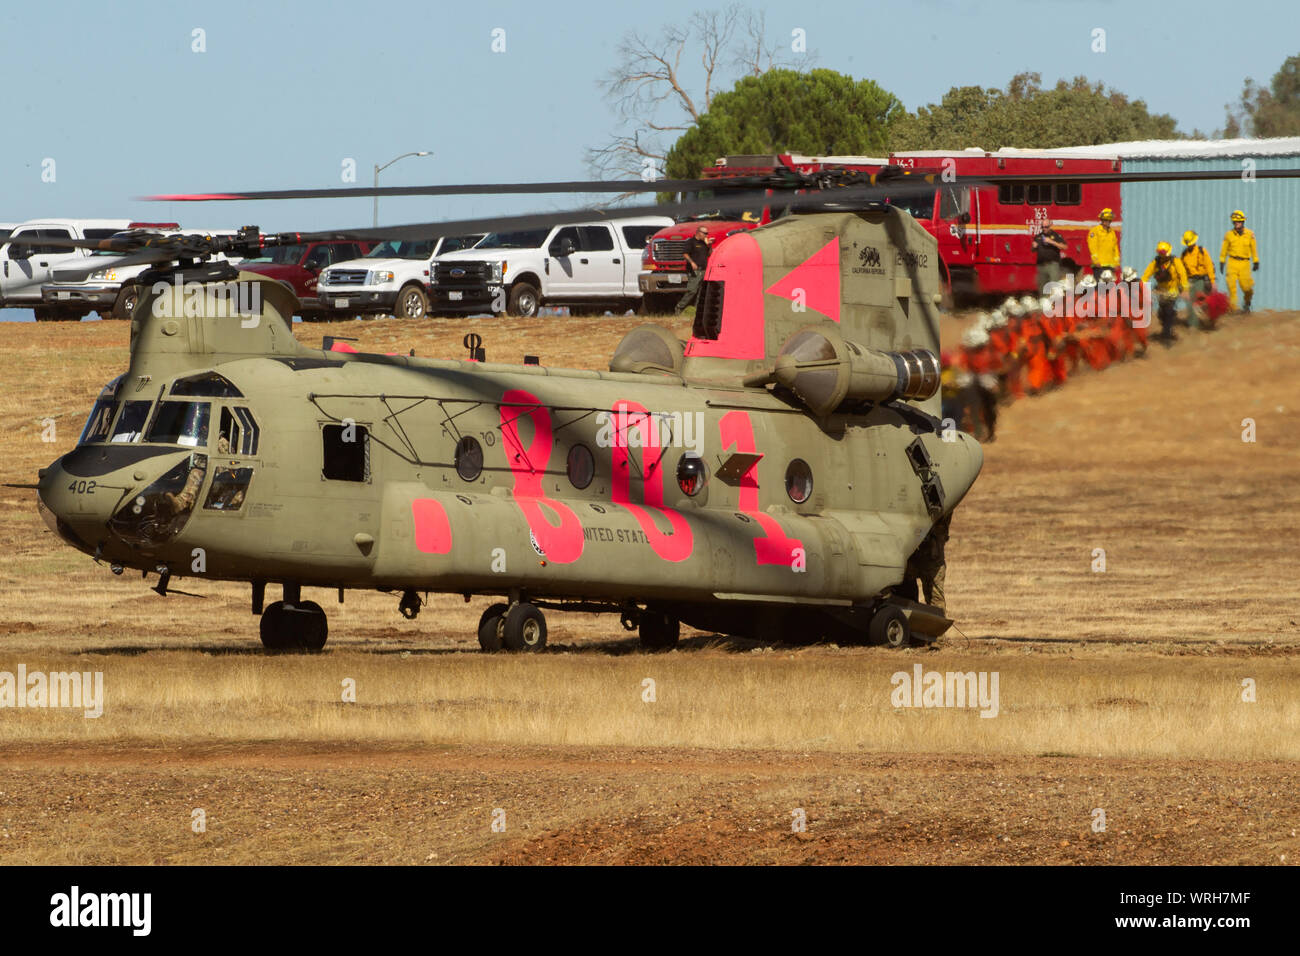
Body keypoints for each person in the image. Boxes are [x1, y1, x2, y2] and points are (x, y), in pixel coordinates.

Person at [901, 513, 952, 613]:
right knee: (904, 599)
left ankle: (936, 626)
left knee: (936, 604)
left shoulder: (942, 504)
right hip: (910, 557)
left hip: (932, 559)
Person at [1141, 241, 1188, 345]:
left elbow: (1183, 275)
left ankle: (1167, 336)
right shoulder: (1156, 262)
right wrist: (1142, 285)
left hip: (1173, 291)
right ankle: (1167, 328)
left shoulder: (1175, 261)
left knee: (1168, 311)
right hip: (1160, 291)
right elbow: (1147, 273)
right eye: (1161, 254)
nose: (1162, 256)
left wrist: (1185, 289)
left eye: (1164, 254)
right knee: (1161, 313)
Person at [1218, 210, 1259, 313]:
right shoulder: (1228, 235)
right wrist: (1222, 261)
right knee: (1231, 286)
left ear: (1243, 222)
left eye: (1239, 221)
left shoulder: (1250, 234)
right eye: (1235, 222)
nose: (1237, 224)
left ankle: (1247, 302)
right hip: (1232, 262)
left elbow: (1253, 248)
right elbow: (1224, 249)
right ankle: (1233, 309)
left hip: (1245, 263)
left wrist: (1256, 261)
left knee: (1247, 287)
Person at [1179, 231, 1215, 328]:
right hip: (1189, 281)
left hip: (1201, 280)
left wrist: (1213, 282)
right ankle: (1193, 326)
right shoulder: (1184, 254)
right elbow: (1181, 270)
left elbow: (1209, 266)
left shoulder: (1202, 251)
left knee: (1199, 301)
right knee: (1190, 303)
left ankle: (1208, 321)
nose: (1189, 245)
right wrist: (1182, 287)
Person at [673, 226, 712, 315]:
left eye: (707, 233)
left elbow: (709, 254)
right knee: (692, 290)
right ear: (699, 232)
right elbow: (685, 254)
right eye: (705, 233)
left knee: (701, 291)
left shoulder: (704, 243)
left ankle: (697, 310)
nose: (706, 235)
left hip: (704, 270)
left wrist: (709, 245)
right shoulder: (690, 242)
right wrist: (692, 262)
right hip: (695, 271)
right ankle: (679, 307)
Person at [1034, 218, 1067, 290]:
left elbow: (1064, 247)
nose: (1044, 229)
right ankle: (1043, 300)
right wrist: (1034, 246)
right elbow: (1033, 250)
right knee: (1042, 288)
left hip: (1053, 265)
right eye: (1042, 227)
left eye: (1046, 227)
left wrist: (1052, 242)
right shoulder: (1038, 236)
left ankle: (1054, 301)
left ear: (1050, 226)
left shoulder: (1056, 235)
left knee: (1054, 288)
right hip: (1041, 265)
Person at [1087, 208, 1120, 279]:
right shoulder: (1095, 231)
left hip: (1110, 265)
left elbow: (1115, 248)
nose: (1107, 222)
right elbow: (1092, 247)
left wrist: (1116, 263)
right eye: (1105, 220)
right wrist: (1095, 260)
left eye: (1109, 220)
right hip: (1099, 265)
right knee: (1100, 287)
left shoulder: (1112, 232)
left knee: (1109, 288)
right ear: (1101, 220)